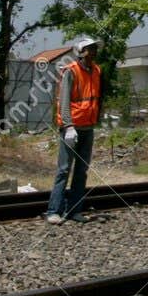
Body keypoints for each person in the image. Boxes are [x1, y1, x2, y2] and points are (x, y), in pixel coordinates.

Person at [46, 37, 102, 225]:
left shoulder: (96, 71)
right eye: (90, 49)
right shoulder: (71, 71)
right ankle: (54, 211)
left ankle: (74, 210)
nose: (93, 52)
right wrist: (68, 126)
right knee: (63, 169)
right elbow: (64, 101)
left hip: (87, 127)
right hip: (72, 128)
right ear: (81, 52)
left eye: (94, 48)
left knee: (81, 171)